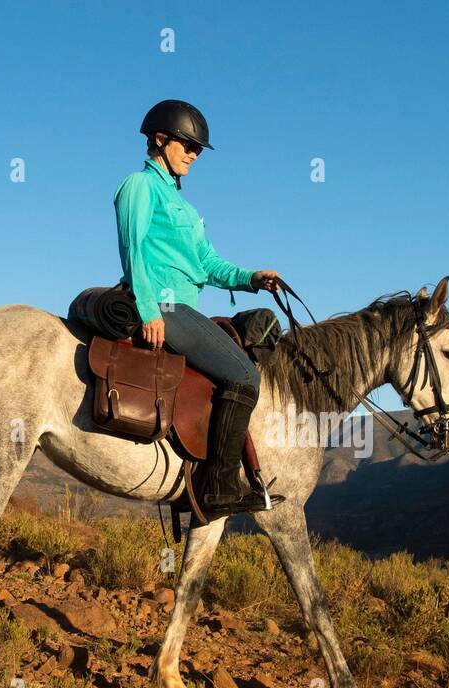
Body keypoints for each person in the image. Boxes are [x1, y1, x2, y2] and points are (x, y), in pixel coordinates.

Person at [114, 99, 285, 521]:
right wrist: (148, 308)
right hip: (164, 306)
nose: (193, 153)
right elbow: (132, 249)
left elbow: (207, 264)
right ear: (160, 140)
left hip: (187, 307)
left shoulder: (187, 209)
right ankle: (218, 488)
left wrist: (251, 278)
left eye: (197, 148)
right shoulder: (139, 186)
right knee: (245, 375)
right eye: (187, 145)